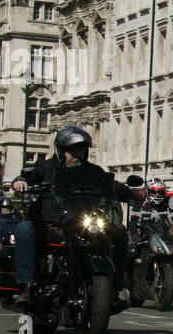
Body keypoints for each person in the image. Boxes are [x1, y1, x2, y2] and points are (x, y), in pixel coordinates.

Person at [10, 126, 144, 304]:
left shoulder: (93, 172)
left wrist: (133, 194)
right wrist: (21, 182)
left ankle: (117, 287)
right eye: (72, 150)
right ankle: (27, 284)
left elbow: (111, 185)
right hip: (52, 223)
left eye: (81, 149)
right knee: (24, 229)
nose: (77, 154)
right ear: (60, 151)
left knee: (120, 235)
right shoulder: (45, 167)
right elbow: (28, 176)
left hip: (83, 222)